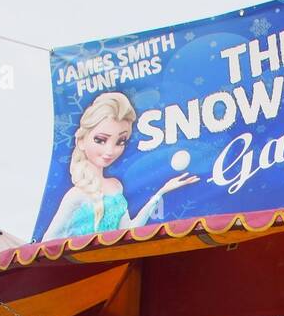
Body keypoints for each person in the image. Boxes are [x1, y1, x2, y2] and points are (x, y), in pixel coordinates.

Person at [41, 92, 198, 240]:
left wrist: (161, 192)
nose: (110, 151)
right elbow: (48, 243)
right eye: (101, 140)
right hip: (85, 267)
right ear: (81, 141)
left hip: (115, 263)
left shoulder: (116, 186)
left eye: (120, 142)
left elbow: (129, 230)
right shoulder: (75, 195)